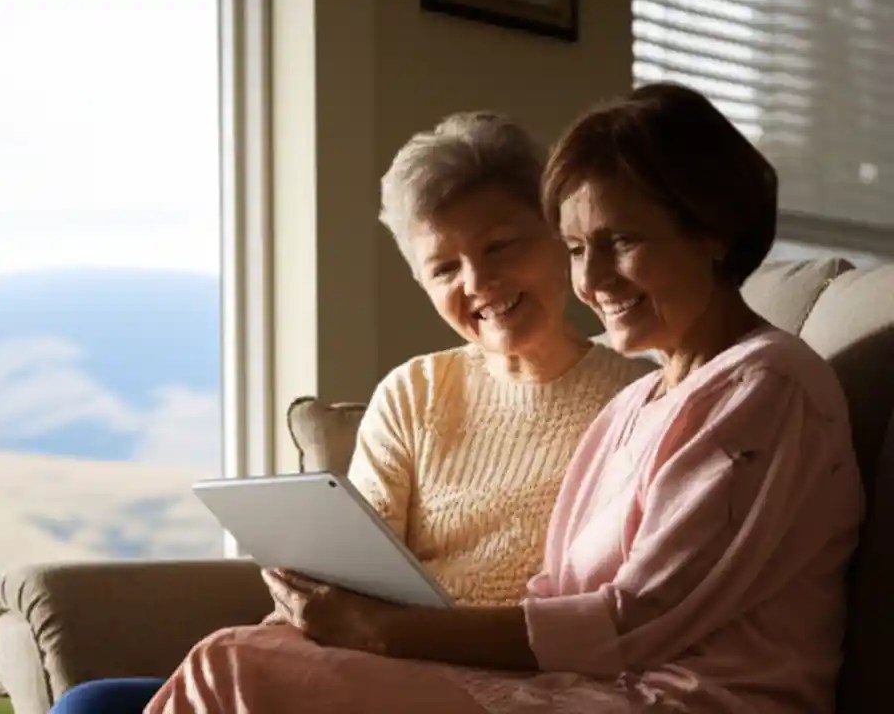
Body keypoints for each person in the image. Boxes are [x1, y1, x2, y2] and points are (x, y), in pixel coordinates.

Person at [143, 84, 864, 713]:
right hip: (586, 689)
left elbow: (636, 621)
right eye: (579, 249)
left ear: (712, 230)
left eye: (620, 241)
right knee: (238, 654)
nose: (595, 281)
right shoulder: (638, 404)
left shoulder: (767, 387)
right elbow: (553, 596)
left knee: (226, 666)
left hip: (676, 701)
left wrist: (381, 632)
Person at [49, 113, 650, 714]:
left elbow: (610, 616)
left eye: (499, 246)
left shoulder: (642, 403)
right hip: (375, 667)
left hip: (510, 685)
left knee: (219, 662)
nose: (478, 282)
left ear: (555, 236)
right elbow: (356, 575)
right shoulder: (416, 392)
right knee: (92, 704)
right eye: (444, 268)